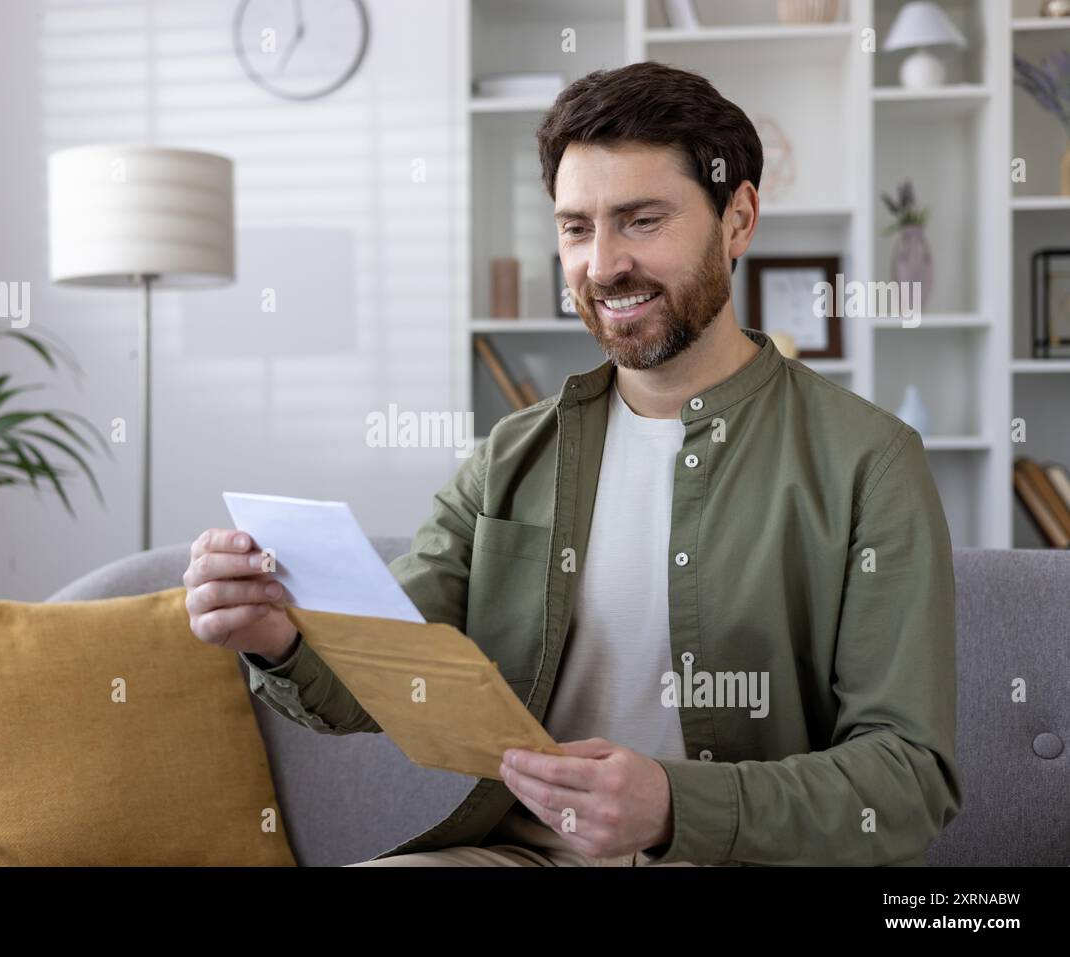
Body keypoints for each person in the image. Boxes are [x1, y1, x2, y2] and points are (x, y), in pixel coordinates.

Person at [182, 61, 962, 867]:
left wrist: (676, 804)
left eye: (642, 220)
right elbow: (391, 665)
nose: (602, 264)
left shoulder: (870, 461)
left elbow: (908, 778)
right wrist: (277, 636)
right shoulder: (512, 456)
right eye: (576, 228)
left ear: (738, 219)